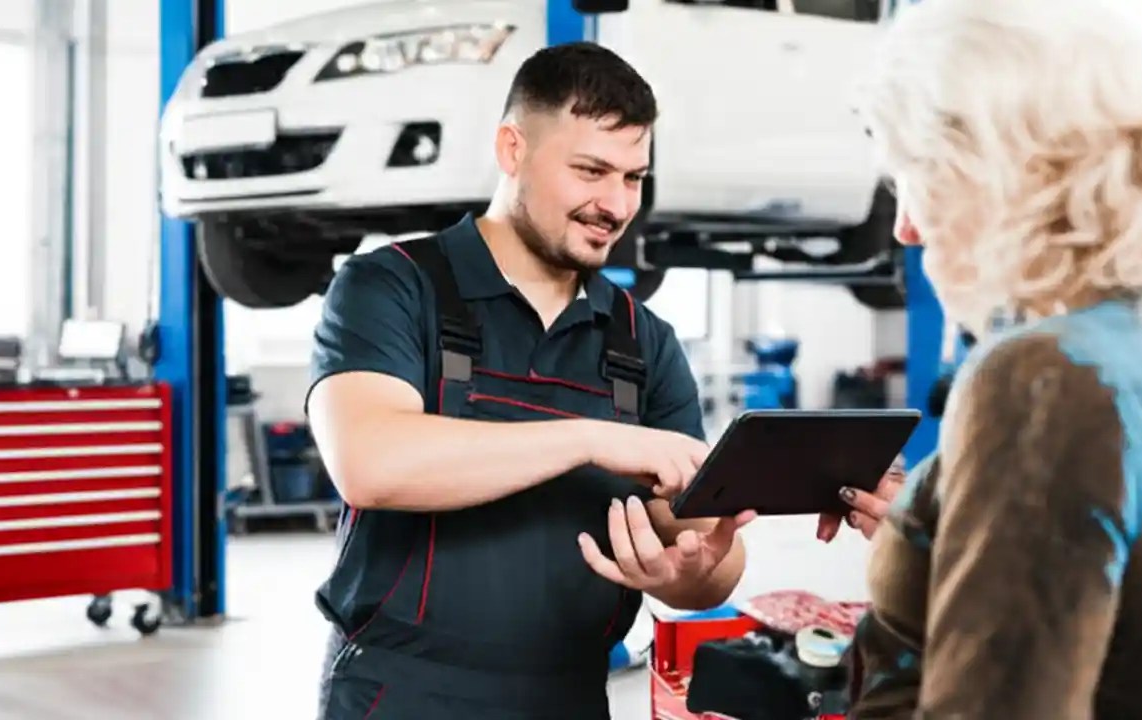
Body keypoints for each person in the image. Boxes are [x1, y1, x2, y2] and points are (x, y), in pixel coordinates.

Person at [305, 42, 891, 719]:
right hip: (401, 695)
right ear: (512, 149)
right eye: (590, 171)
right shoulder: (392, 287)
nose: (614, 204)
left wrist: (693, 573)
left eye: (633, 178)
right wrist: (592, 440)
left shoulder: (643, 342)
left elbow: (704, 545)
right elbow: (372, 464)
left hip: (573, 696)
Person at [846, 0, 1142, 717]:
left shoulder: (1047, 376)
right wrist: (942, 519)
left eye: (913, 176)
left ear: (991, 167)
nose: (905, 228)